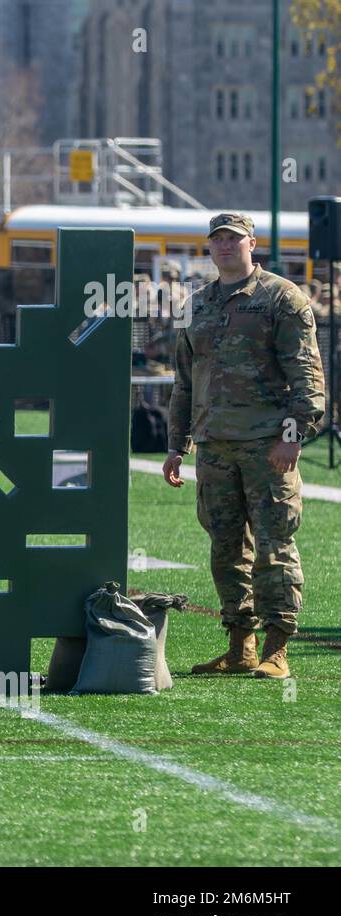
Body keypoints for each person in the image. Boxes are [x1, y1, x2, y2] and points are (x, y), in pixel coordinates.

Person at [164, 212, 326, 680]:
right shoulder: (197, 303)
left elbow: (307, 375)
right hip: (215, 447)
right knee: (226, 548)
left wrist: (292, 436)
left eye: (233, 239)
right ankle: (241, 645)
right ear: (209, 247)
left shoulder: (281, 297)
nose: (225, 246)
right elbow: (184, 382)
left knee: (275, 545)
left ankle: (278, 647)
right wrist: (177, 445)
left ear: (252, 243)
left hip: (266, 446)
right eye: (217, 239)